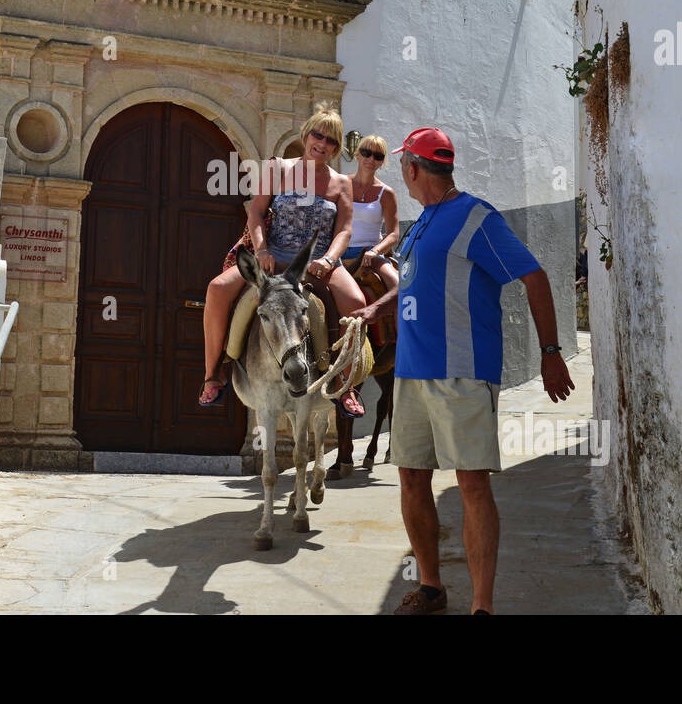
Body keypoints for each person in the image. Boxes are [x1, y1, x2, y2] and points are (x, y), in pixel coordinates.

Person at [350, 127, 575, 614]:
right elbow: (414, 287)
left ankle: (482, 606)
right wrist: (377, 310)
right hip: (410, 372)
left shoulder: (475, 217)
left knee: (472, 484)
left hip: (463, 372)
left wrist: (551, 351)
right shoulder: (422, 223)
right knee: (411, 477)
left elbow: (533, 275)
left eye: (402, 165)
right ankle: (431, 587)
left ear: (412, 168)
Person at [200, 103, 368, 417]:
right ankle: (214, 373)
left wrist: (330, 259)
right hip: (274, 256)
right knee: (217, 289)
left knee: (356, 301)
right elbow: (256, 213)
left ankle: (345, 383)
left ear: (336, 147)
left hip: (319, 260)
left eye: (331, 140)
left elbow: (344, 230)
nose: (323, 143)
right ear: (306, 135)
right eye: (318, 134)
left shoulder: (342, 183)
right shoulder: (278, 168)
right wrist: (262, 251)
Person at [339, 134, 400, 292]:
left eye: (378, 156)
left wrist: (375, 251)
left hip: (371, 253)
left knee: (398, 286)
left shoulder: (386, 193)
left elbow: (393, 233)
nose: (371, 159)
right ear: (357, 154)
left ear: (382, 162)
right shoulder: (340, 184)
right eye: (366, 153)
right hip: (339, 251)